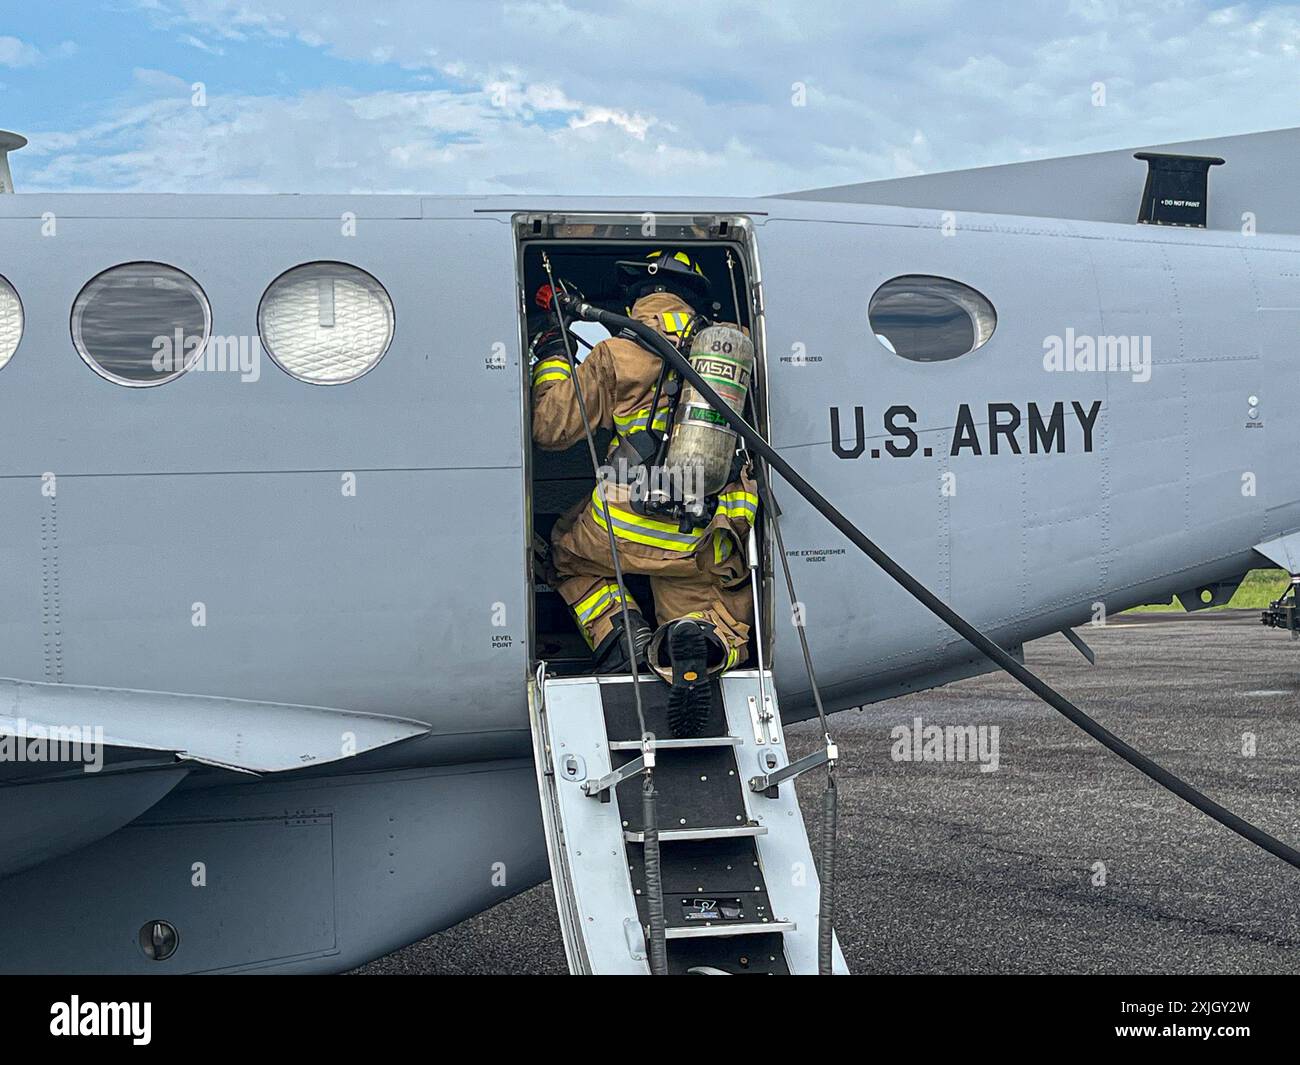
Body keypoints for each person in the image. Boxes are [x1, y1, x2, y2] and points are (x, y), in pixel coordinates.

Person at [532, 250, 758, 735]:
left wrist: (553, 351)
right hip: (704, 533)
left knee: (565, 555)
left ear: (636, 298)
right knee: (722, 612)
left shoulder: (616, 354)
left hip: (621, 531)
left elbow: (550, 427)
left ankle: (625, 639)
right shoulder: (734, 349)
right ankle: (696, 641)